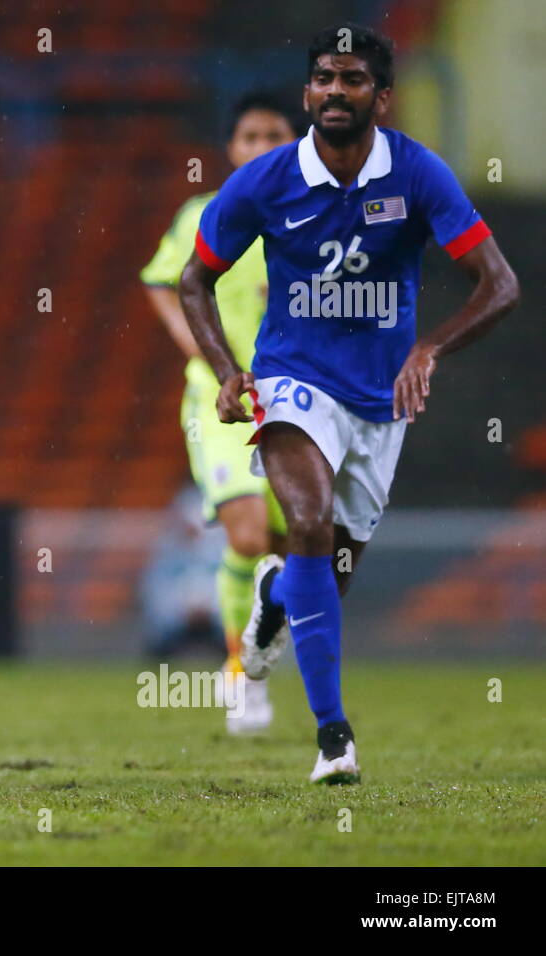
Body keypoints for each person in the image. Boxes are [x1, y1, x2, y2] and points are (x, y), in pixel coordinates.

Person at [178, 24, 518, 782]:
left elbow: (500, 284)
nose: (336, 90)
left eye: (354, 79)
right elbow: (192, 281)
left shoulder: (418, 175)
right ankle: (334, 738)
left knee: (323, 576)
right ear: (308, 93)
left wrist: (429, 348)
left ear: (383, 98)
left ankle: (274, 600)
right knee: (306, 521)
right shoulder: (265, 181)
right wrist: (229, 370)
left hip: (378, 401)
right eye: (325, 78)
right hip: (294, 379)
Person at [141, 92, 299, 733]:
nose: (260, 148)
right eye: (248, 137)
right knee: (247, 535)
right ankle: (242, 675)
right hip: (224, 398)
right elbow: (163, 284)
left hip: (300, 401)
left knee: (289, 551)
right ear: (230, 149)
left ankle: (256, 654)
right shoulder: (203, 215)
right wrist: (208, 357)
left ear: (295, 143)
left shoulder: (317, 221)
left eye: (273, 136)